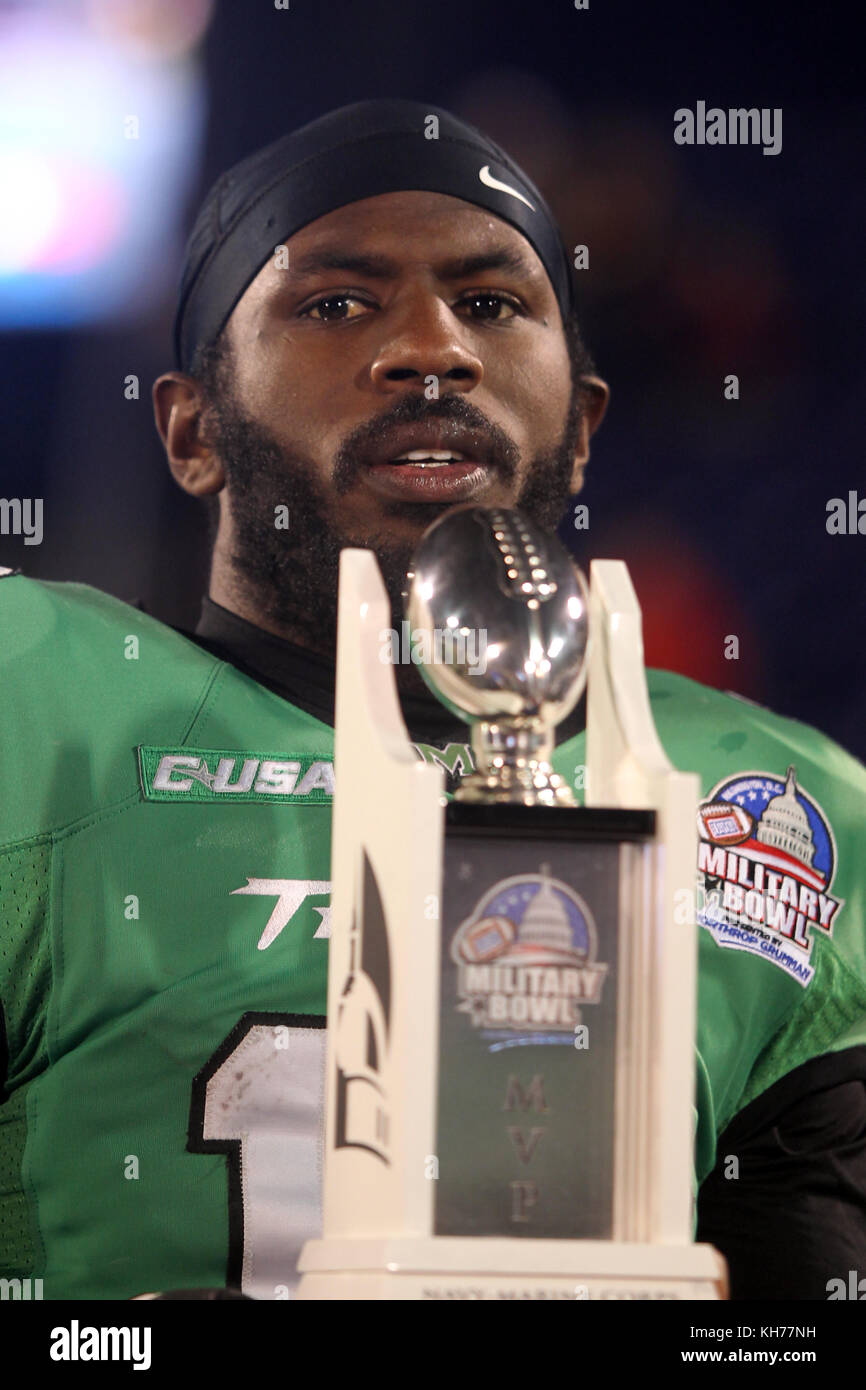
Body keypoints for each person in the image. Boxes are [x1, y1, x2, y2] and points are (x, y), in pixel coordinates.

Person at [1, 99, 864, 1302]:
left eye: (493, 304)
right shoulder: (34, 703)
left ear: (582, 427)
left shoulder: (771, 800)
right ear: (191, 430)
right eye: (336, 302)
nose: (431, 349)